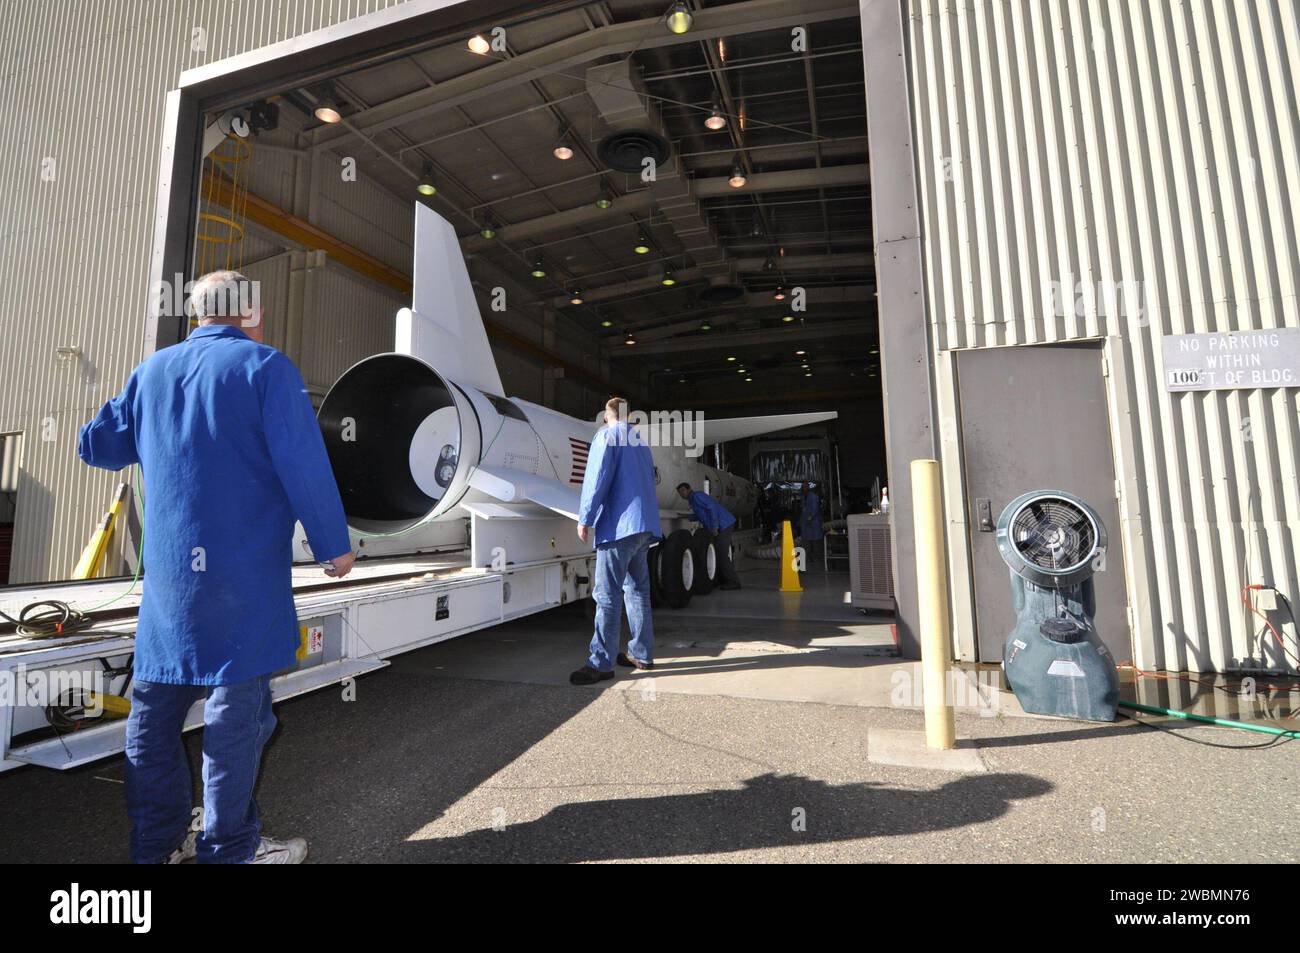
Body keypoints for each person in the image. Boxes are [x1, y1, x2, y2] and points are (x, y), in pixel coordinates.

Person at [78, 270, 354, 865]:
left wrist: (146, 393)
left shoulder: (151, 371)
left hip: (172, 585)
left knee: (154, 717)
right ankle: (229, 851)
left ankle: (156, 847)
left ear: (195, 314)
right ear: (251, 312)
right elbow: (303, 466)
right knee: (236, 721)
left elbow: (95, 445)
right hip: (243, 579)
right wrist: (334, 545)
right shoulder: (266, 368)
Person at [571, 397, 660, 684]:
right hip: (644, 527)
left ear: (606, 417)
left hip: (619, 527)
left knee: (607, 596)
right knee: (637, 592)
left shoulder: (606, 436)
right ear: (630, 416)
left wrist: (584, 517)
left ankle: (600, 663)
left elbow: (597, 478)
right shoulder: (642, 445)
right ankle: (641, 654)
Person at [675, 482, 741, 590]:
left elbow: (712, 507)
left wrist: (714, 527)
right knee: (719, 554)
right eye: (679, 493)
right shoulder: (692, 501)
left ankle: (734, 582)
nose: (682, 494)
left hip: (724, 525)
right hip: (723, 524)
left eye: (683, 491)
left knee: (722, 555)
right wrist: (686, 516)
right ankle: (725, 579)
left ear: (689, 489)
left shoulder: (697, 496)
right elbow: (701, 514)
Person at [800, 481, 825, 566]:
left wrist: (811, 516)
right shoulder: (803, 497)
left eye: (805, 486)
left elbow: (815, 508)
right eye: (803, 487)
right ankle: (810, 557)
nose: (804, 488)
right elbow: (803, 508)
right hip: (806, 523)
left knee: (815, 541)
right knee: (808, 541)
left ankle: (817, 557)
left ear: (808, 487)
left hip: (813, 522)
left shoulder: (813, 497)